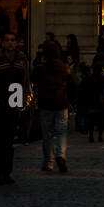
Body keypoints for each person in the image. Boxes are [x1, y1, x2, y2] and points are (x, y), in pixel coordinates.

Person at [0, 35, 30, 185]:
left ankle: (7, 172)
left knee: (9, 141)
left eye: (12, 40)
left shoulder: (22, 60)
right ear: (2, 43)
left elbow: (25, 82)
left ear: (16, 43)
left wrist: (23, 102)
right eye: (7, 40)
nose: (10, 43)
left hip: (14, 105)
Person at [32, 41, 76, 174]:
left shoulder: (40, 69)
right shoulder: (64, 68)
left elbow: (33, 81)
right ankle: (60, 155)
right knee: (62, 131)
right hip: (61, 103)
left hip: (45, 104)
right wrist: (71, 101)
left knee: (47, 134)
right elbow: (73, 85)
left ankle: (48, 162)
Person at [78, 62, 104, 143]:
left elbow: (82, 90)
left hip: (91, 102)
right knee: (100, 119)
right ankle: (99, 136)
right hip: (100, 102)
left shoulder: (88, 79)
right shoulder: (103, 79)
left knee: (91, 119)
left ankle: (91, 135)